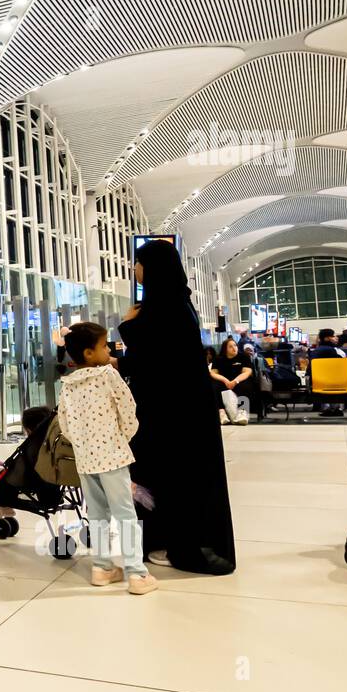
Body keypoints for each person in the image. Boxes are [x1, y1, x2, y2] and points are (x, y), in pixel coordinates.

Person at [117, 237, 235, 574]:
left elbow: (152, 360)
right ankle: (169, 540)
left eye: (138, 264)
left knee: (166, 474)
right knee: (173, 474)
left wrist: (127, 325)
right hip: (181, 409)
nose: (135, 270)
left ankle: (173, 544)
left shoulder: (162, 308)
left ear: (152, 268)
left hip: (167, 414)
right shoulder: (176, 304)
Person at [58, 322, 157, 595]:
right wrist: (121, 438)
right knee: (125, 514)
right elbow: (128, 409)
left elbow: (64, 424)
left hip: (86, 460)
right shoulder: (107, 376)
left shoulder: (67, 385)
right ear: (89, 353)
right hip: (112, 457)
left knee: (98, 514)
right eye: (104, 346)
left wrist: (82, 445)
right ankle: (137, 573)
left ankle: (102, 567)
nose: (108, 350)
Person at [210, 337, 253, 425]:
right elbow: (213, 373)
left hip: (239, 381)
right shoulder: (218, 359)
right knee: (214, 386)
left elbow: (247, 372)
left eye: (235, 345)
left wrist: (235, 381)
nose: (234, 348)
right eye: (230, 346)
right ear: (225, 349)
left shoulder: (243, 357)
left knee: (245, 385)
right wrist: (225, 380)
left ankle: (243, 412)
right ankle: (221, 413)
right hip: (224, 382)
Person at [310, 328, 347, 417]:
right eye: (333, 336)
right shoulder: (331, 351)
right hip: (329, 381)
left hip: (317, 380)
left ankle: (331, 408)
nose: (336, 338)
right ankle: (335, 408)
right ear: (326, 338)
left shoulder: (318, 350)